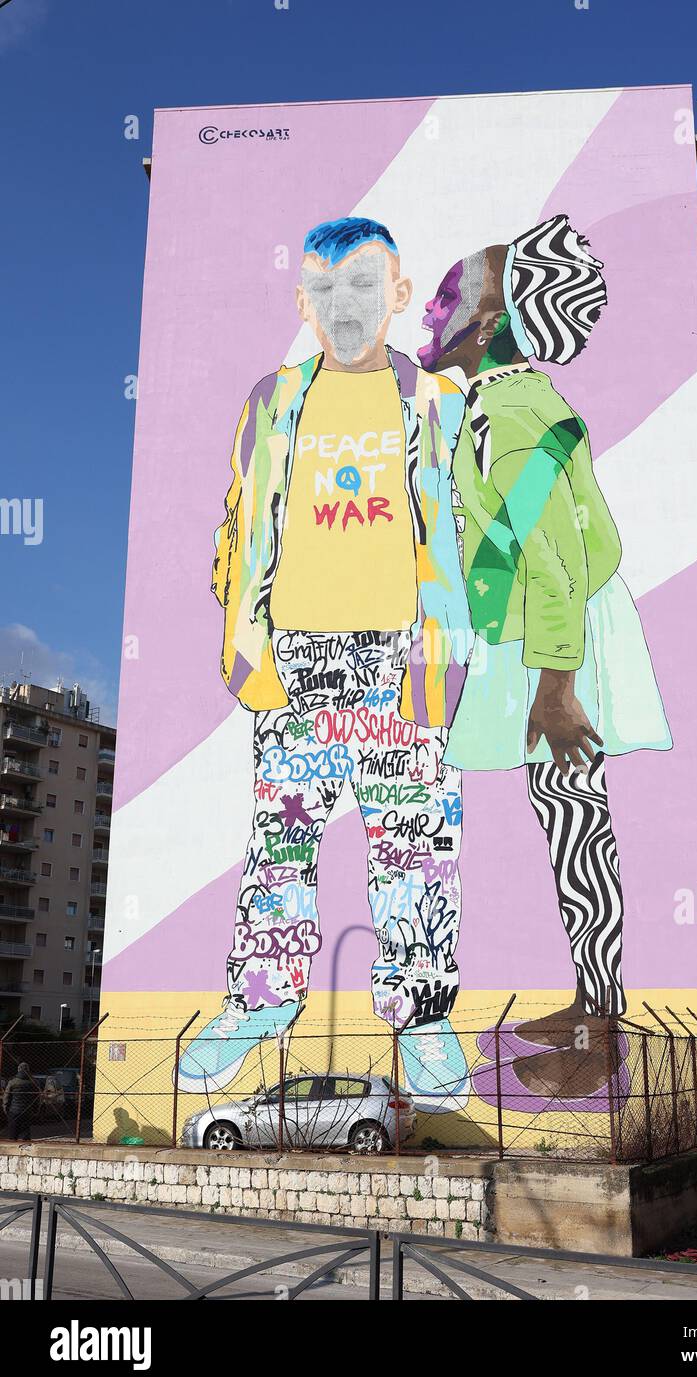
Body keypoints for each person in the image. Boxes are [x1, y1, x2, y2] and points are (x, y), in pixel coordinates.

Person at [178, 217, 475, 1113]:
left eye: (361, 285)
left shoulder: (438, 403)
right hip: (296, 655)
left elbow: (471, 522)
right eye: (322, 288)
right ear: (301, 301)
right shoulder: (271, 398)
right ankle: (260, 1005)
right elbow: (239, 516)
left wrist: (463, 641)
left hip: (403, 656)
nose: (341, 306)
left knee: (415, 846)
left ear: (397, 293)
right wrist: (237, 623)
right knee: (280, 844)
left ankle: (419, 1016)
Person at [418, 214, 672, 1100]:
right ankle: (590, 998)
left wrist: (557, 685)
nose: (434, 308)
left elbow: (550, 548)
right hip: (533, 633)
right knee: (571, 827)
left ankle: (601, 1035)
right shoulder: (504, 401)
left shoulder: (512, 407)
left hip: (553, 640)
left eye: (451, 297)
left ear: (487, 328)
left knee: (576, 825)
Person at [3, 1062, 40, 1141]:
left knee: (13, 1132)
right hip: (27, 1110)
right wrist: (36, 1110)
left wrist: (6, 1109)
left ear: (18, 1070)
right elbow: (37, 1098)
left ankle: (12, 1149)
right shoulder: (34, 1082)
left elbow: (6, 1097)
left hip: (14, 1110)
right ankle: (26, 1149)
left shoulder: (12, 1082)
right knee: (26, 1131)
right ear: (28, 1070)